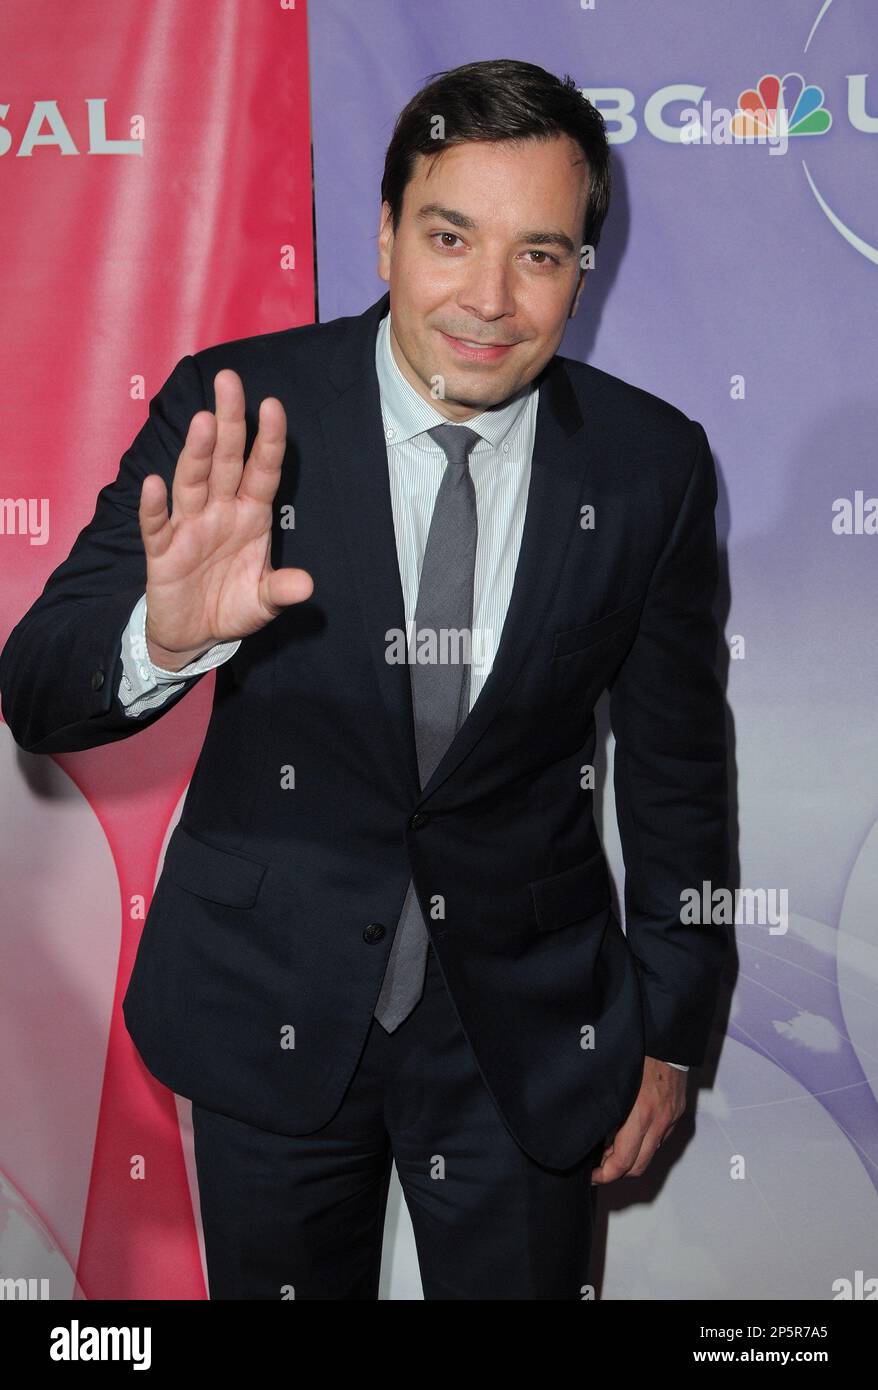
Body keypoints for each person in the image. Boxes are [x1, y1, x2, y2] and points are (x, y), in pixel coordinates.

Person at [0, 58, 729, 1300]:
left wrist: (669, 1033)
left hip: (530, 1030)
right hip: (266, 999)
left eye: (540, 255)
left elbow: (676, 774)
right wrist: (165, 639)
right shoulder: (236, 412)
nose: (488, 299)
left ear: (579, 274)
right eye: (450, 236)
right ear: (384, 233)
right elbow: (39, 689)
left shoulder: (650, 464)